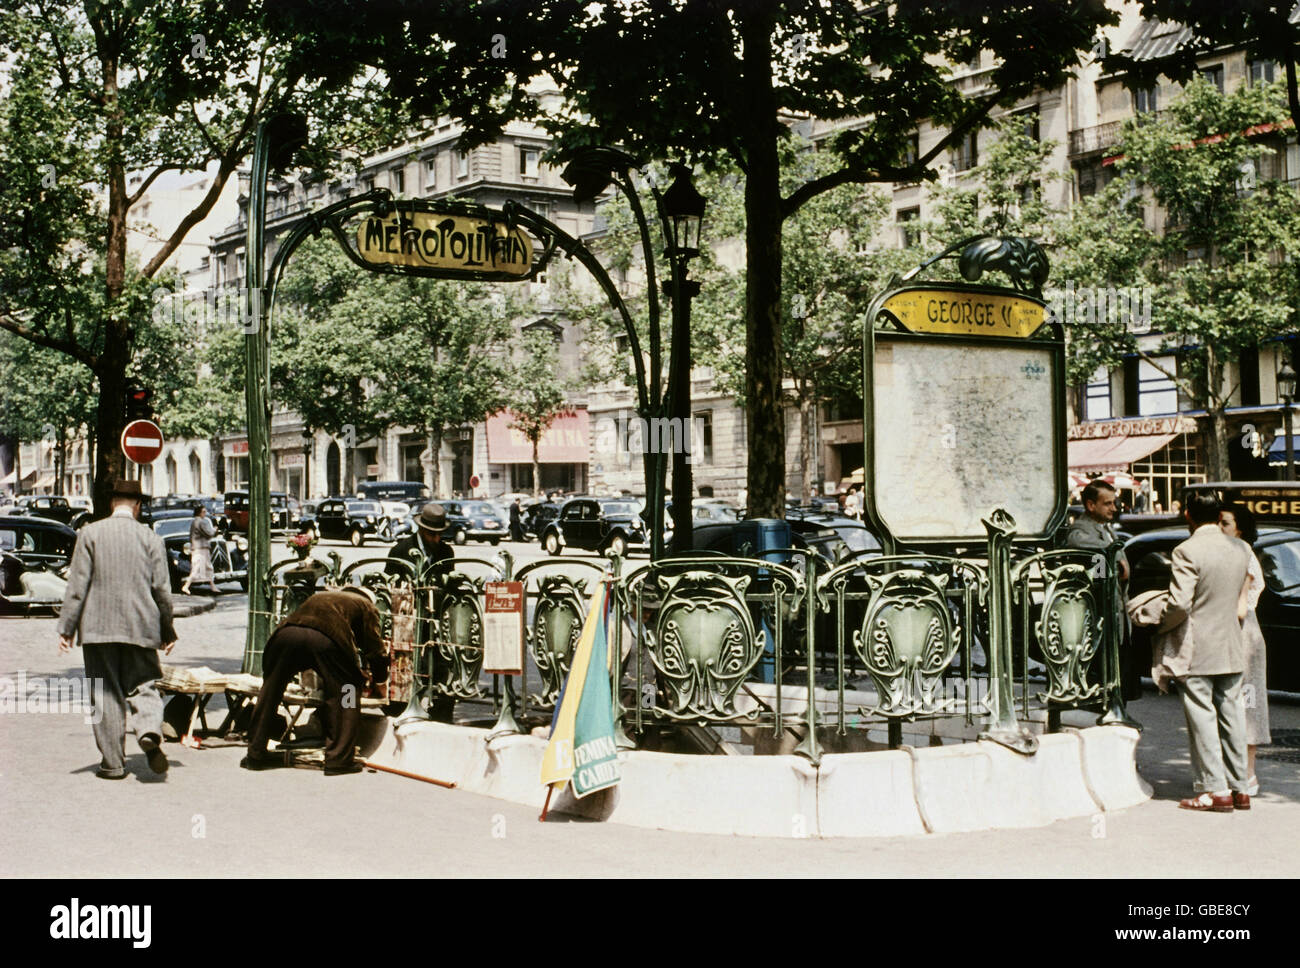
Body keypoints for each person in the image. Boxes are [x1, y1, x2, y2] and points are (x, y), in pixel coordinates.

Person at [56, 480, 176, 779]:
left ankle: (112, 763)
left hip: (98, 628)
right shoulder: (151, 539)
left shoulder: (90, 534)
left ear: (112, 503)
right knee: (145, 684)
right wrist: (167, 630)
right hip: (141, 625)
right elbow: (162, 590)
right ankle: (148, 731)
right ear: (137, 505)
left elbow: (77, 586)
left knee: (104, 692)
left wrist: (67, 628)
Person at [1161, 490, 1251, 811]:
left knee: (1202, 718)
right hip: (1231, 643)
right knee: (1233, 716)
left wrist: (1160, 624)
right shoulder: (1241, 548)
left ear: (1188, 515)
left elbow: (1179, 604)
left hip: (1198, 645)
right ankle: (1240, 787)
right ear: (1218, 515)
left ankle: (1214, 789)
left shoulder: (1187, 550)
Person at [242, 586, 388, 775]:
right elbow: (374, 647)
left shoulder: (324, 596)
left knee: (270, 692)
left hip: (285, 635)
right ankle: (339, 759)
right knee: (348, 690)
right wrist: (380, 678)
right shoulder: (366, 605)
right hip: (325, 638)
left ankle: (255, 753)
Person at [1067, 479, 1140, 700]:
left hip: (1117, 616)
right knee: (1104, 681)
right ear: (1091, 505)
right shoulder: (1081, 531)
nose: (1114, 508)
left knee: (1119, 677)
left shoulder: (1106, 529)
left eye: (1113, 502)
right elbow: (1095, 563)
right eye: (1107, 503)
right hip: (1101, 619)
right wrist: (1115, 559)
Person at [1219, 503, 1268, 796]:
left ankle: (1247, 774)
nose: (1220, 528)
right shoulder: (1230, 553)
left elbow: (1242, 606)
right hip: (1236, 633)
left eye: (1225, 523)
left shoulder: (1242, 554)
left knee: (1248, 704)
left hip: (1244, 636)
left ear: (1239, 529)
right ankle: (1237, 773)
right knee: (1234, 703)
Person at [385, 502, 454, 577]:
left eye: (440, 533)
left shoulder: (447, 552)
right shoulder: (399, 552)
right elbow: (389, 581)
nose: (437, 539)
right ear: (421, 529)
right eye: (432, 534)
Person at [182, 505, 218, 595]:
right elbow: (209, 533)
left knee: (206, 567)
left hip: (198, 548)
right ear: (199, 513)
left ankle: (213, 586)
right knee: (198, 567)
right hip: (201, 548)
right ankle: (186, 586)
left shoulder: (194, 521)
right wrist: (214, 529)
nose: (205, 513)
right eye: (204, 512)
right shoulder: (201, 522)